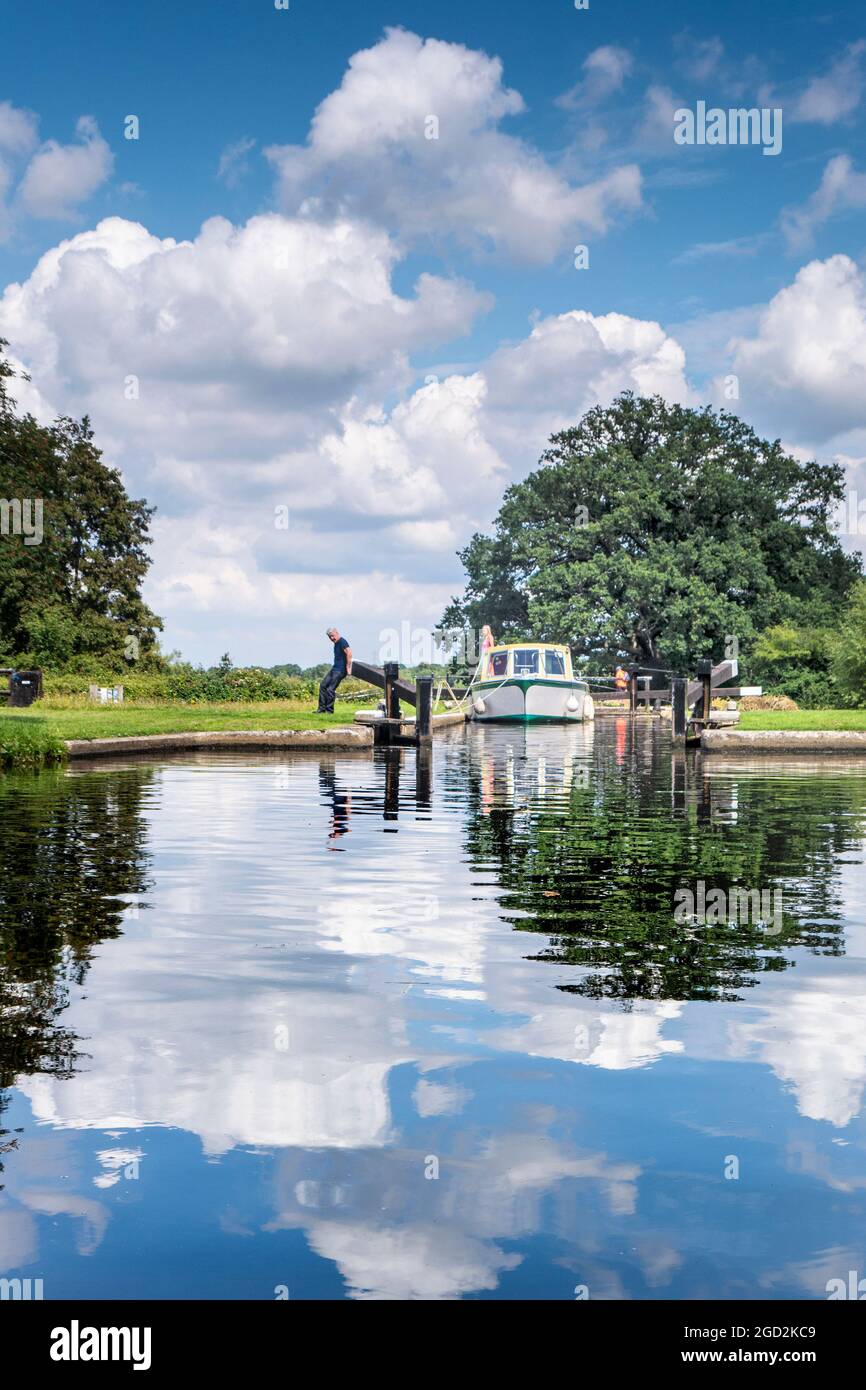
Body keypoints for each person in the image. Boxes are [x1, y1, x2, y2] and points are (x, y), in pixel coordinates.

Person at [318, 627, 353, 713]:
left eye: (332, 636)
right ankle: (321, 709)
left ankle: (329, 711)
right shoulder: (336, 643)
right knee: (323, 686)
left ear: (337, 633)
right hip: (335, 668)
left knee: (330, 689)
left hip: (340, 670)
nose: (331, 638)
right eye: (330, 637)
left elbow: (349, 652)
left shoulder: (342, 641)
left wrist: (348, 667)